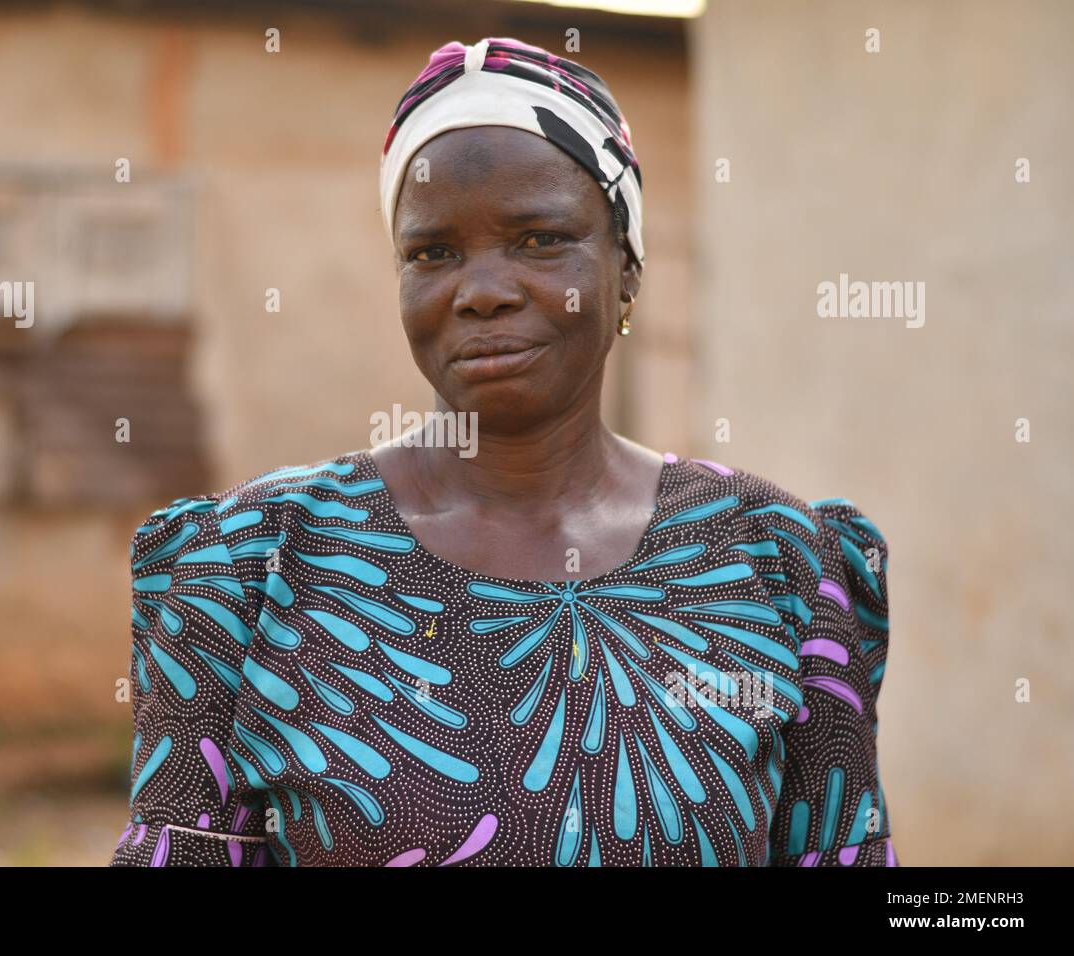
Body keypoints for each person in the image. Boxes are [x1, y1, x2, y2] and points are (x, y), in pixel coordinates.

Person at [109, 37, 895, 867]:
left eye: (538, 239)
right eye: (433, 253)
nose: (481, 291)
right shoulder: (252, 564)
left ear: (626, 270)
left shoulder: (773, 557)